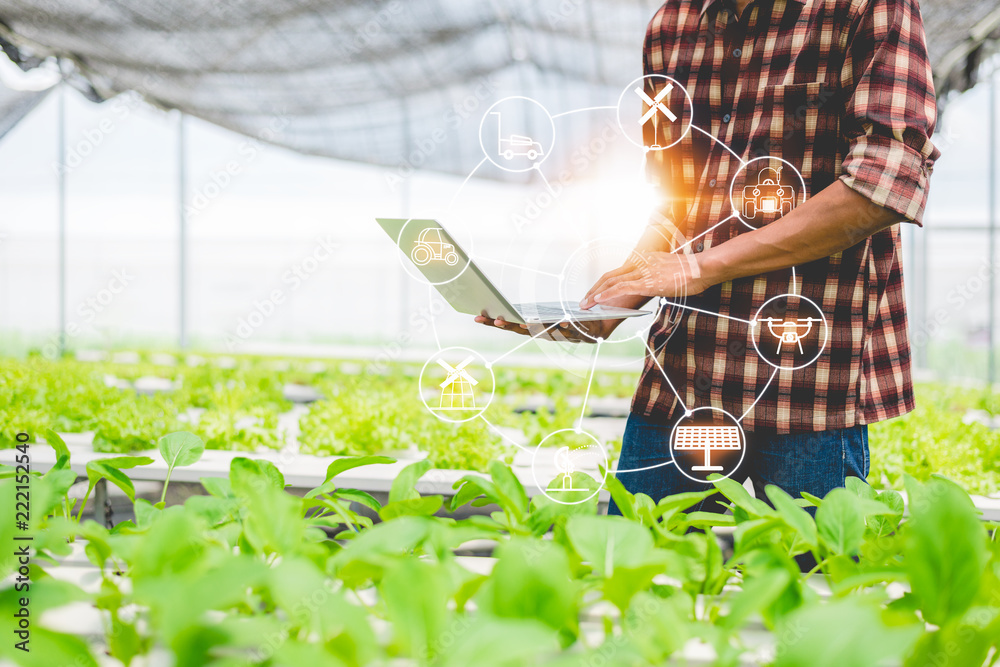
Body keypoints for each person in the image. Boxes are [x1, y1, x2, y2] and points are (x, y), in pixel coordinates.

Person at [476, 0, 938, 517]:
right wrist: (616, 296)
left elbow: (882, 187)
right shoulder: (670, 28)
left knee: (806, 582)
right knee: (636, 567)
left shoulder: (867, 8)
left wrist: (699, 267)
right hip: (681, 377)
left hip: (808, 388)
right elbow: (675, 199)